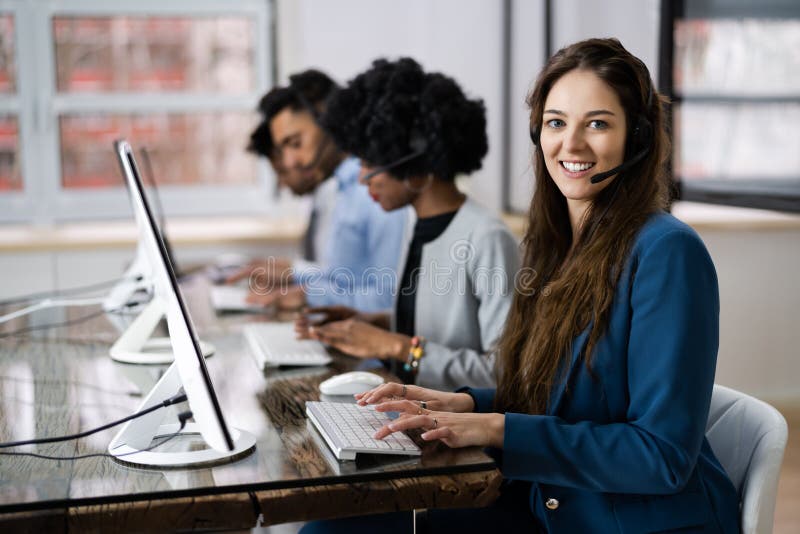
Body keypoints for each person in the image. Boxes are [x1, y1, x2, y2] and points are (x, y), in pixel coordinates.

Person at [301, 39, 740, 533]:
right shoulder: (555, 246)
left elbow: (661, 456)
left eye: (597, 123)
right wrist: (465, 403)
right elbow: (557, 401)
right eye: (556, 122)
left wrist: (494, 427)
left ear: (635, 138)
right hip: (552, 501)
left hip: (623, 520)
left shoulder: (667, 252)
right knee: (336, 524)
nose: (570, 145)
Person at [295, 58, 519, 392]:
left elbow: (503, 375)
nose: (361, 177)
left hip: (463, 436)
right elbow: (443, 330)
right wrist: (376, 324)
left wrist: (394, 346)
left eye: (370, 162)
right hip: (412, 408)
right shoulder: (416, 224)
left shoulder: (487, 239)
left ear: (417, 164)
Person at [231, 69, 407, 312]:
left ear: (328, 118)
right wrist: (296, 277)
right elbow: (345, 279)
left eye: (295, 143)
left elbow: (389, 299)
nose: (290, 162)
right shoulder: (342, 189)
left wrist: (310, 295)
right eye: (284, 151)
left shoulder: (376, 190)